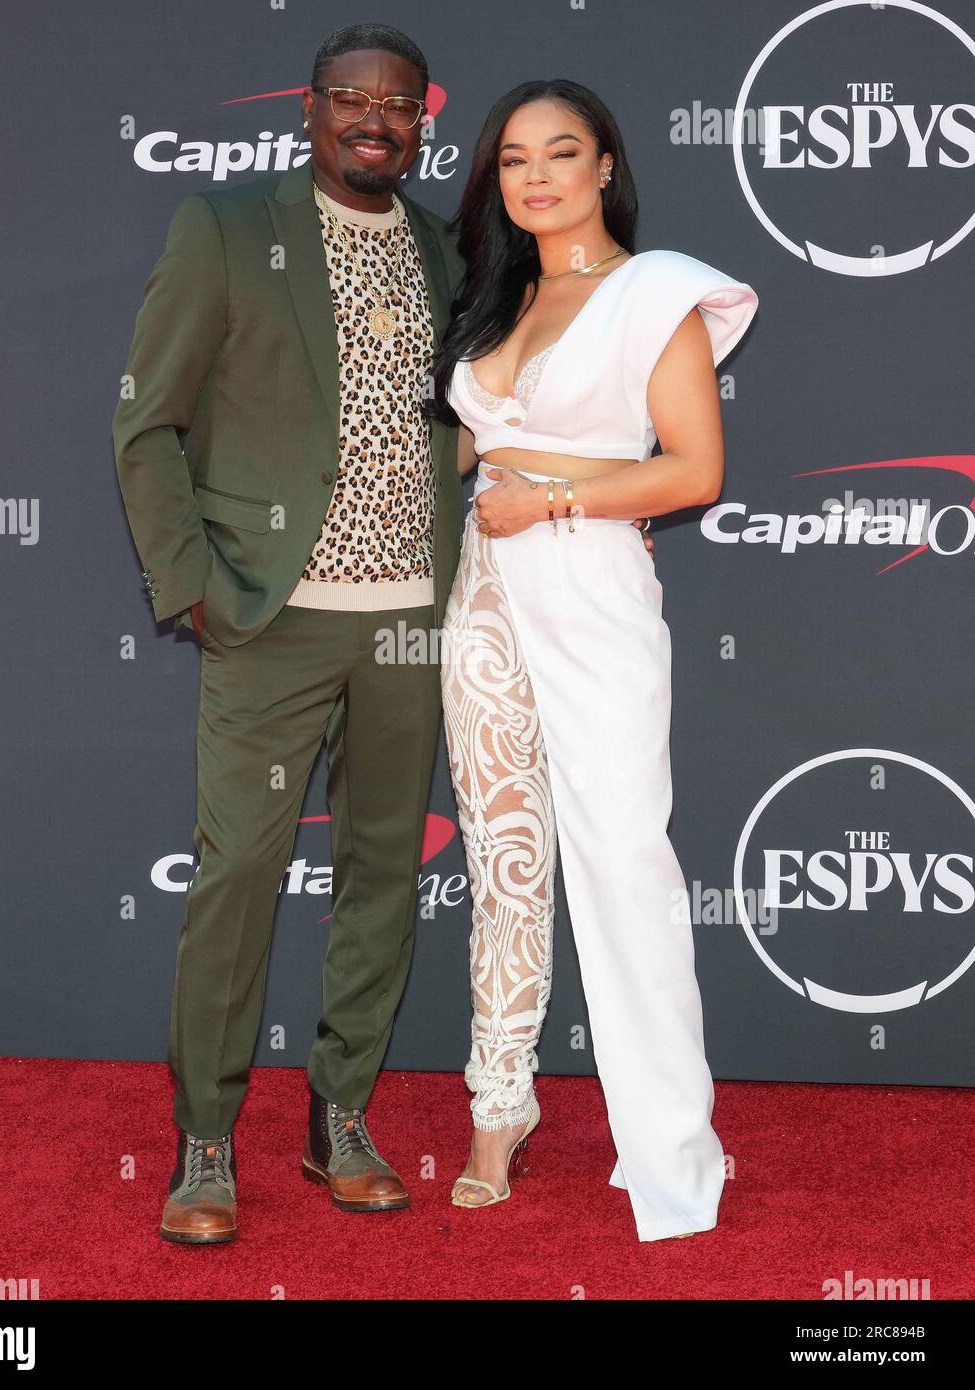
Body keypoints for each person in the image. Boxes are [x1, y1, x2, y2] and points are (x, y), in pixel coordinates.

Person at [112, 23, 469, 1244]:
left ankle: (340, 1121)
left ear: (424, 118)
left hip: (409, 624)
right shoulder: (223, 231)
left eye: (399, 104)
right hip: (269, 616)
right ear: (309, 108)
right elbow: (144, 424)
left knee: (383, 874)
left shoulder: (442, 249)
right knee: (241, 875)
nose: (376, 118)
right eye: (352, 99)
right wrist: (190, 582)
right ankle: (204, 1138)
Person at [429, 79, 759, 1241]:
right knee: (505, 858)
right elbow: (469, 447)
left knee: (622, 864)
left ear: (605, 164)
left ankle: (668, 1145)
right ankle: (496, 1107)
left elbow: (693, 472)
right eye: (512, 157)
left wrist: (554, 499)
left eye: (560, 152)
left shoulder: (654, 292)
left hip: (591, 587)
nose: (535, 175)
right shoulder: (496, 298)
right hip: (483, 600)